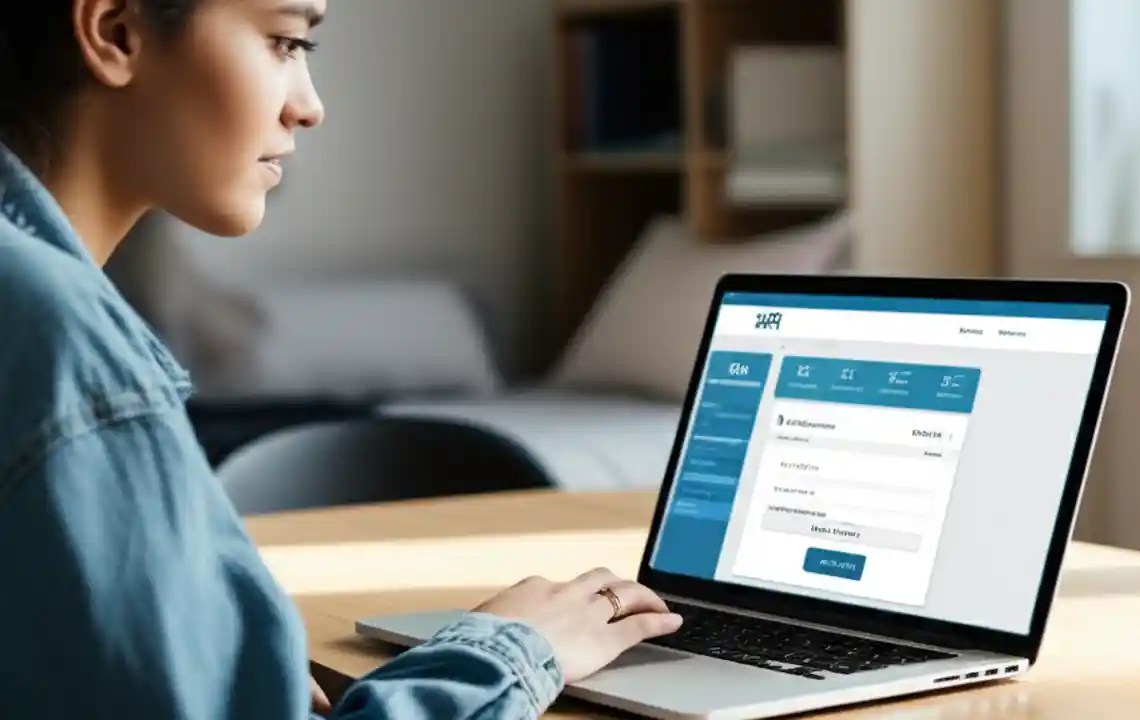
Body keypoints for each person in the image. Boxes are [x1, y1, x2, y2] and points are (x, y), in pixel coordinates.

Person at [0, 1, 682, 717]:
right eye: (285, 42)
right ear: (115, 33)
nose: (310, 107)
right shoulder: (62, 343)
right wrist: (511, 650)